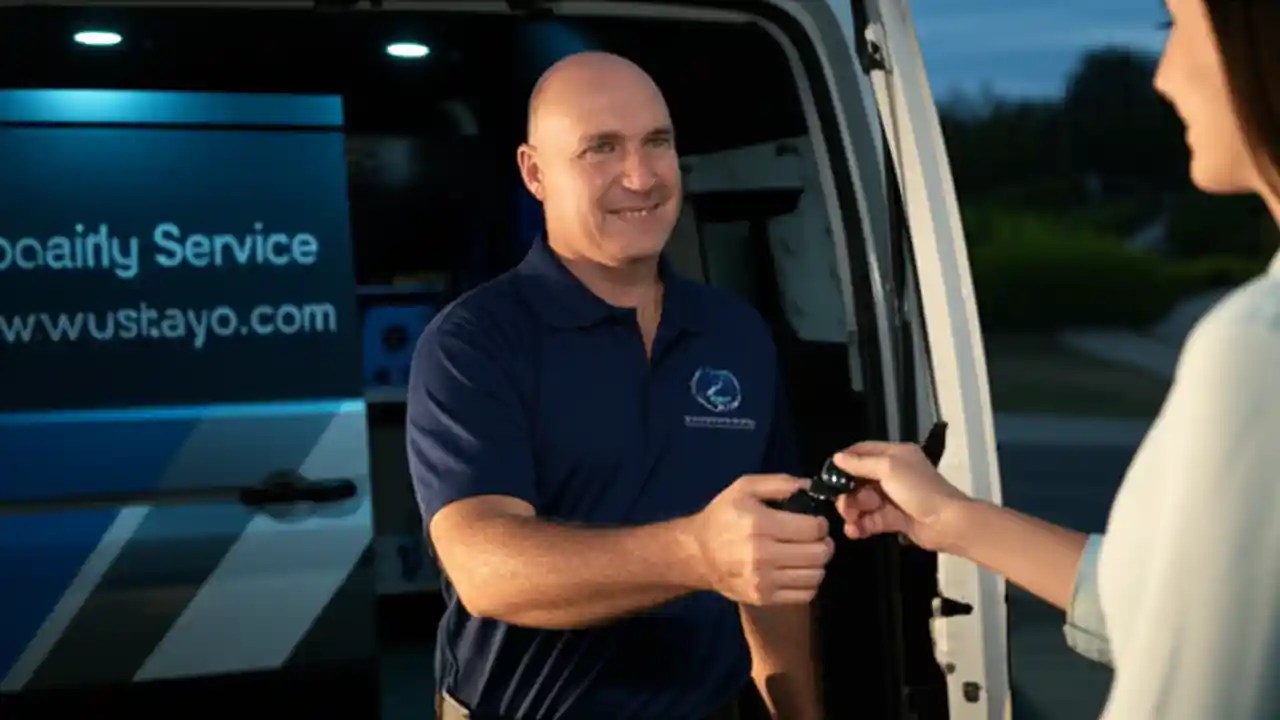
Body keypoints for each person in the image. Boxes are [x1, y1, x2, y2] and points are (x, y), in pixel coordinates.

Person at [833, 0, 1280, 717]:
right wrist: (953, 518)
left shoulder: (1257, 347)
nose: (1163, 78)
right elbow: (1164, 605)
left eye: (1176, 27)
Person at [406, 51, 830, 720]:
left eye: (656, 142)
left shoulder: (735, 334)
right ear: (535, 172)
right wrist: (697, 553)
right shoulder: (475, 341)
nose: (641, 176)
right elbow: (484, 568)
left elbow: (770, 558)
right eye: (601, 148)